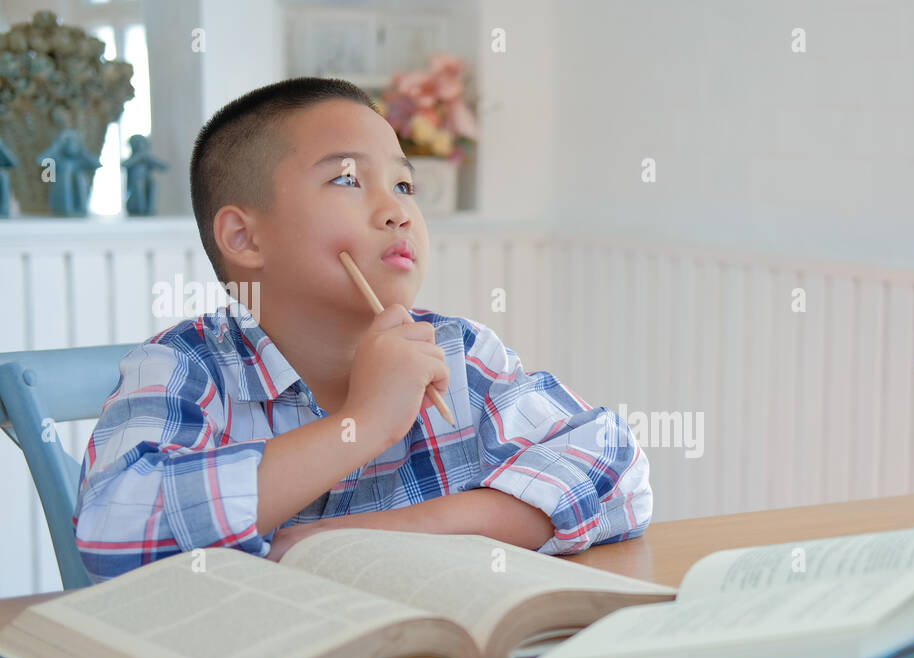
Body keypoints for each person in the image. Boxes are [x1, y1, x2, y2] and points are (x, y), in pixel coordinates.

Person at [72, 77, 651, 583]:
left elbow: (616, 470)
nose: (397, 211)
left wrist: (363, 537)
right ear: (245, 238)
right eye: (348, 180)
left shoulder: (460, 353)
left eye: (403, 186)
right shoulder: (182, 366)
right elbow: (115, 533)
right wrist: (365, 422)